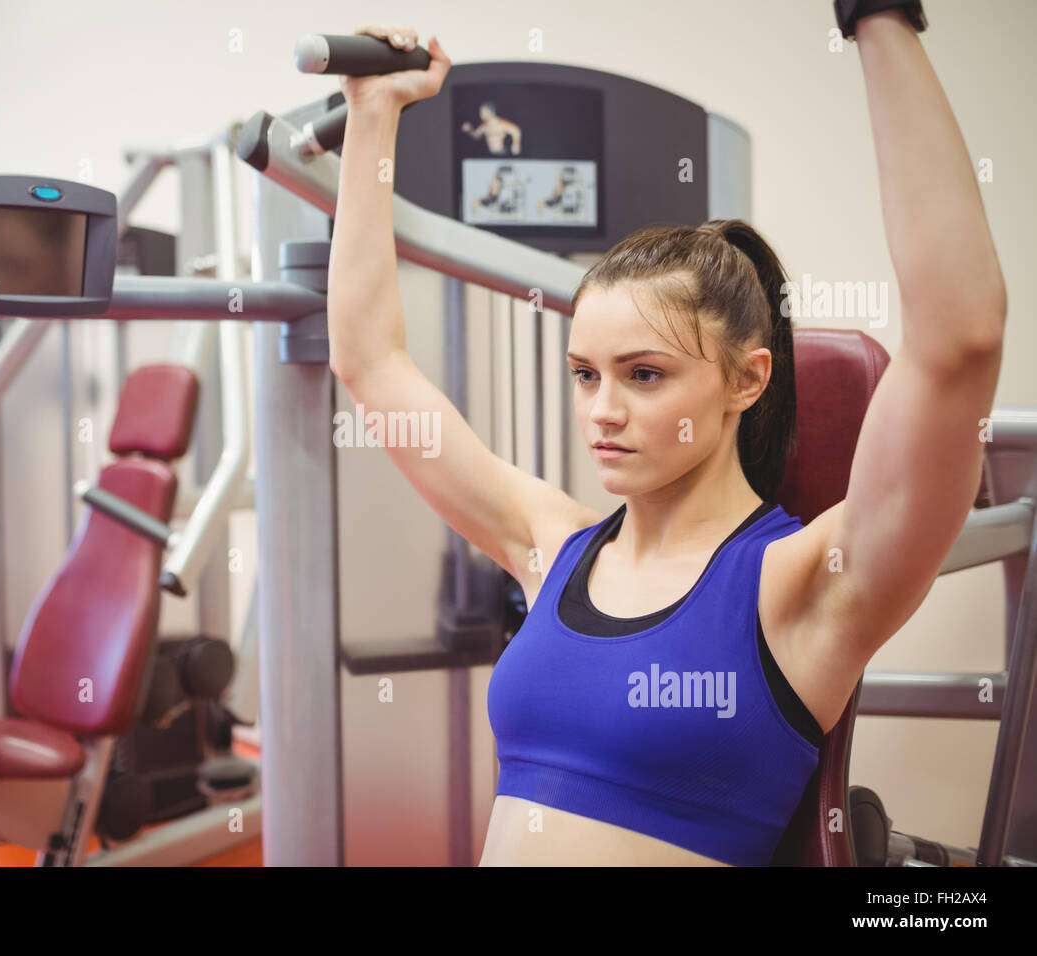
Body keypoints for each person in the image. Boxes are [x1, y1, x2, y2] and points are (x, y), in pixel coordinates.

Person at [328, 13, 1006, 866]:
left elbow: (961, 340)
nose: (601, 411)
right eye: (585, 374)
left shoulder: (798, 586)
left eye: (643, 374)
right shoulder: (554, 548)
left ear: (747, 380)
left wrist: (877, 21)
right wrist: (374, 115)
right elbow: (370, 362)